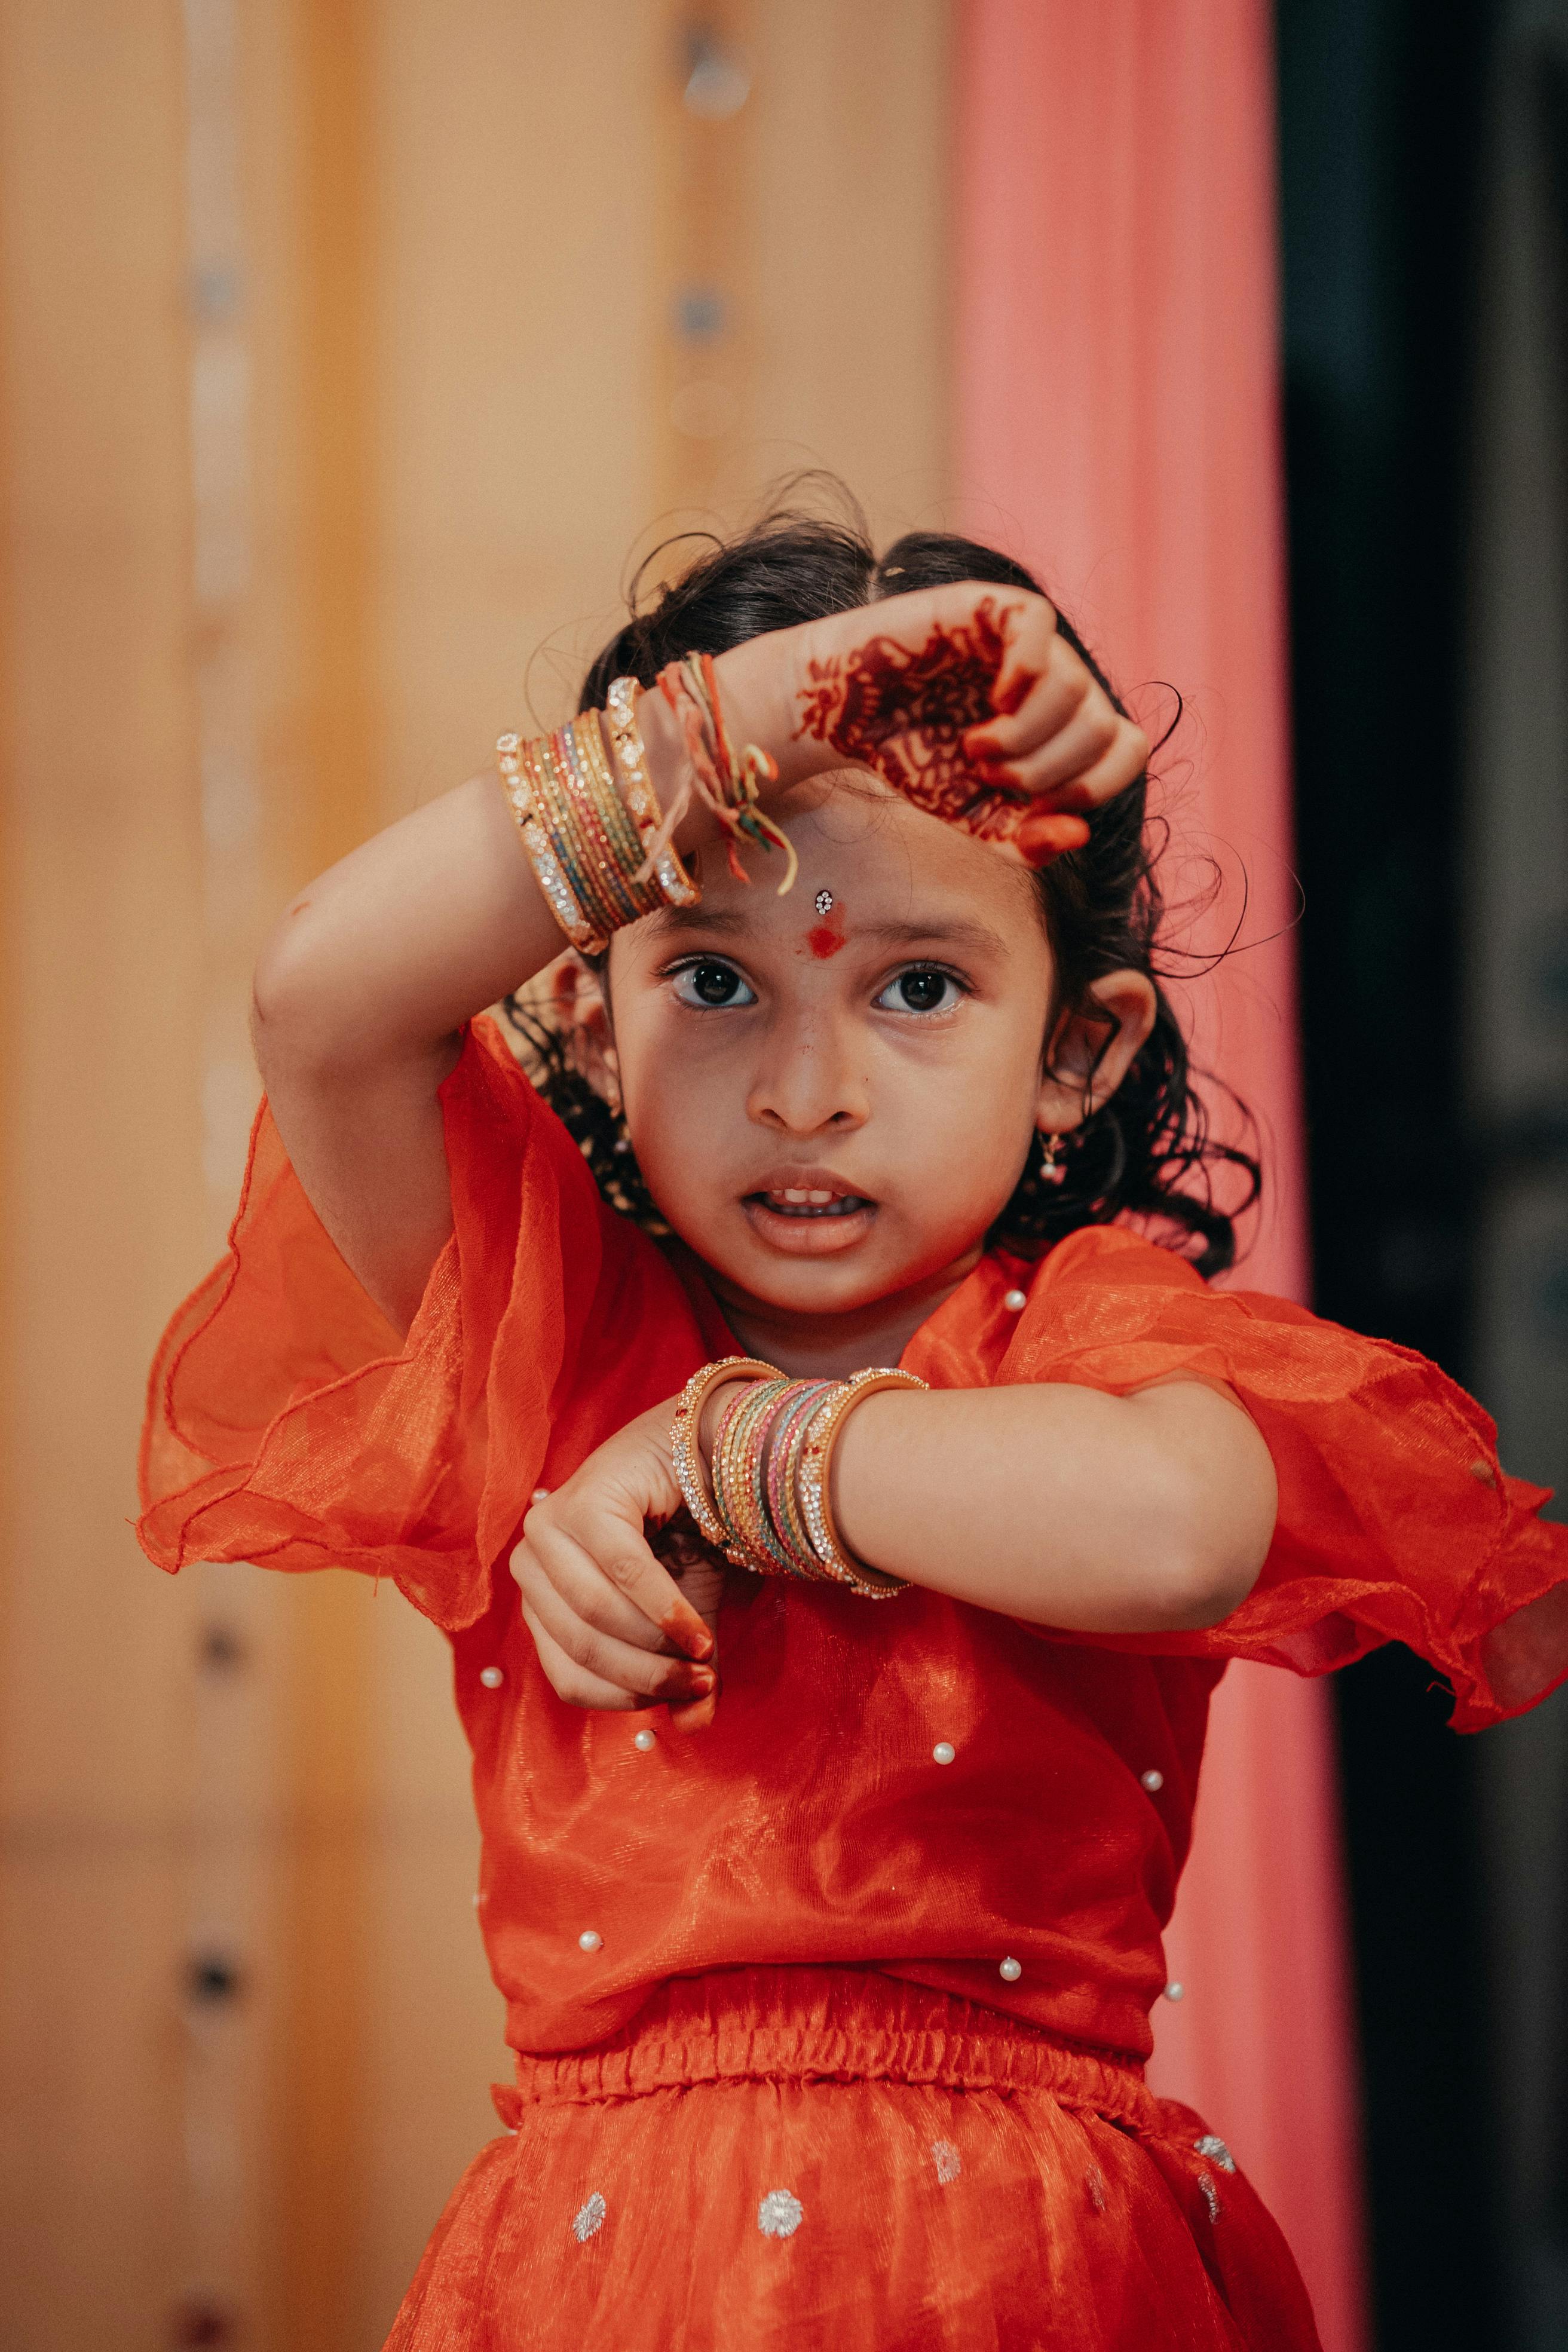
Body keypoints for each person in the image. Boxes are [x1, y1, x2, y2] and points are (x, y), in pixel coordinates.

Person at [139, 503, 1568, 2351]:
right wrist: (801, 699)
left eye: (916, 988)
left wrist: (726, 1458)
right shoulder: (543, 1347)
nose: (809, 1093)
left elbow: (1178, 1531)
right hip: (606, 2278)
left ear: (1078, 1052)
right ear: (585, 1018)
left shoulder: (1085, 1340)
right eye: (716, 981)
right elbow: (322, 996)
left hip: (1029, 2280)